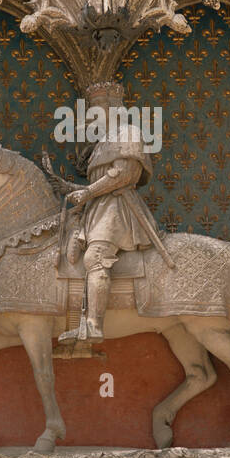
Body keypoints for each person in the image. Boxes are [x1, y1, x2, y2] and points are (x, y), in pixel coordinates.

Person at [57, 82, 171, 345]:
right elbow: (100, 180)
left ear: (114, 108)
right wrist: (78, 191)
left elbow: (124, 173)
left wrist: (87, 193)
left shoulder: (128, 132)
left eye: (97, 109)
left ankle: (94, 325)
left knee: (95, 257)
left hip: (119, 208)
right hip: (98, 208)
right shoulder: (101, 143)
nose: (91, 116)